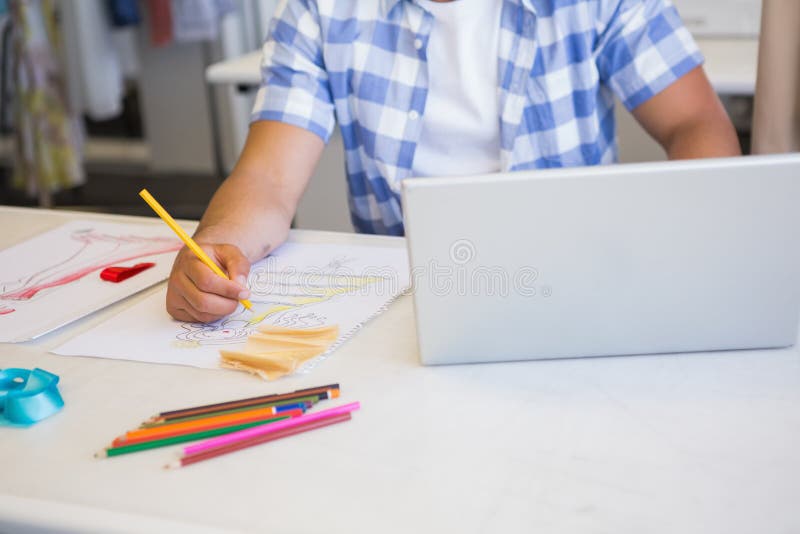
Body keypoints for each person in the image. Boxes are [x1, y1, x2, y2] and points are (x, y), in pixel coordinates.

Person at [167, 0, 741, 323]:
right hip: (416, 301)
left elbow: (696, 126)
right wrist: (217, 248)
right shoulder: (321, 10)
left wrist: (676, 246)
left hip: (588, 283)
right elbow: (267, 179)